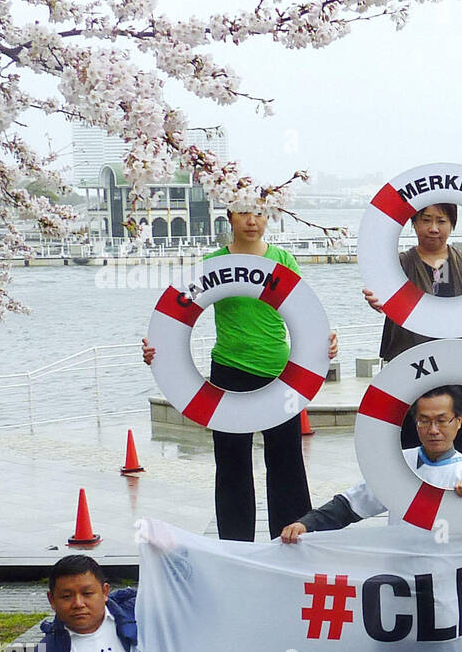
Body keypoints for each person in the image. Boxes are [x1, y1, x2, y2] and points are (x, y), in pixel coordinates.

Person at [142, 202, 337, 541]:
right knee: (232, 465)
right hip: (229, 372)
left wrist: (327, 344)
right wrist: (157, 352)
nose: (252, 220)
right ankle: (235, 546)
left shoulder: (283, 260)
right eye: (244, 212)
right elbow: (174, 317)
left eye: (260, 213)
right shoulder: (211, 264)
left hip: (280, 373)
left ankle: (291, 541)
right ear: (229, 216)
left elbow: (306, 315)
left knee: (287, 463)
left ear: (268, 218)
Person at [363, 202, 462, 467]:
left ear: (452, 225)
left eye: (442, 221)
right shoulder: (399, 264)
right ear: (413, 223)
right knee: (413, 450)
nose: (433, 228)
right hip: (415, 370)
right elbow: (381, 291)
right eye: (426, 220)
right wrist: (376, 299)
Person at [280, 385, 462, 540]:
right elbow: (351, 504)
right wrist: (305, 524)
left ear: (458, 421)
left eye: (442, 420)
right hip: (403, 579)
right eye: (424, 420)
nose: (433, 430)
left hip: (453, 582)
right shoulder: (398, 464)